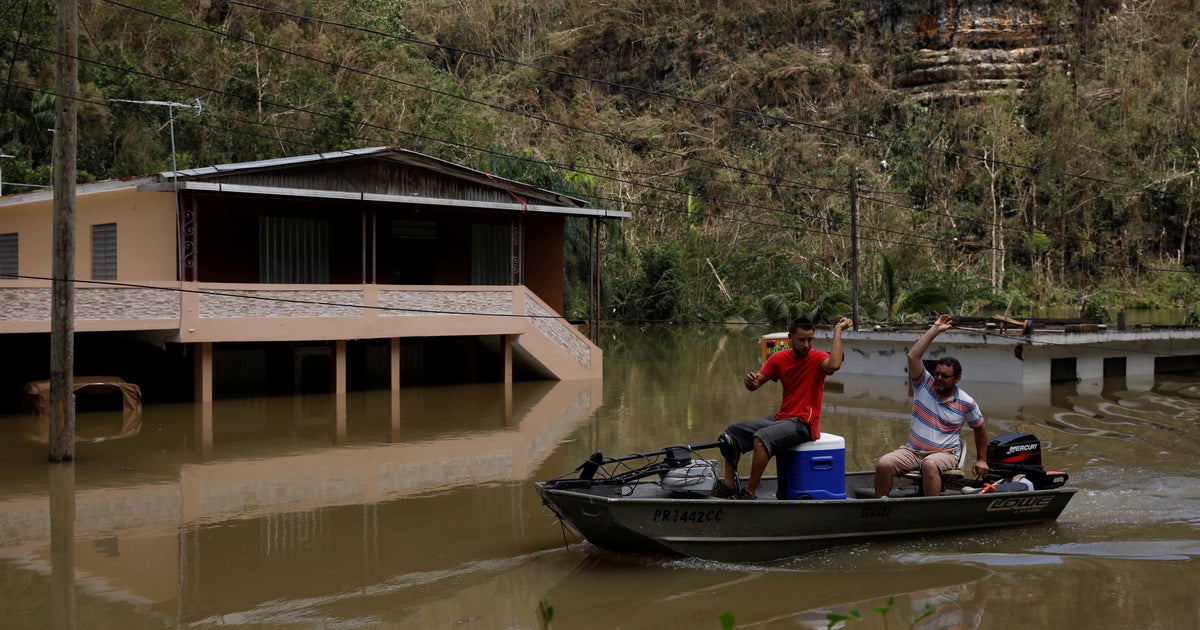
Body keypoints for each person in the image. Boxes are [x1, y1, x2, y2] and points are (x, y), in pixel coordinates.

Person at [711, 316, 853, 500]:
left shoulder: (817, 358)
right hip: (782, 418)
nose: (807, 345)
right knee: (731, 434)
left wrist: (838, 330)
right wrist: (749, 381)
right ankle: (728, 486)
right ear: (790, 338)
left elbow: (834, 364)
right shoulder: (778, 358)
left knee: (761, 440)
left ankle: (749, 492)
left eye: (810, 340)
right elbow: (755, 384)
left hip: (804, 424)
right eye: (802, 340)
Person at [874, 314, 989, 497]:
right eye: (937, 374)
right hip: (912, 451)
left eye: (945, 376)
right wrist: (935, 329)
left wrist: (982, 460)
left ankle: (930, 509)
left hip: (945, 455)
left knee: (929, 464)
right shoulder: (923, 385)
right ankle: (879, 507)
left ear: (957, 379)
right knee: (884, 464)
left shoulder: (966, 402)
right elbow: (913, 356)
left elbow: (980, 429)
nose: (939, 379)